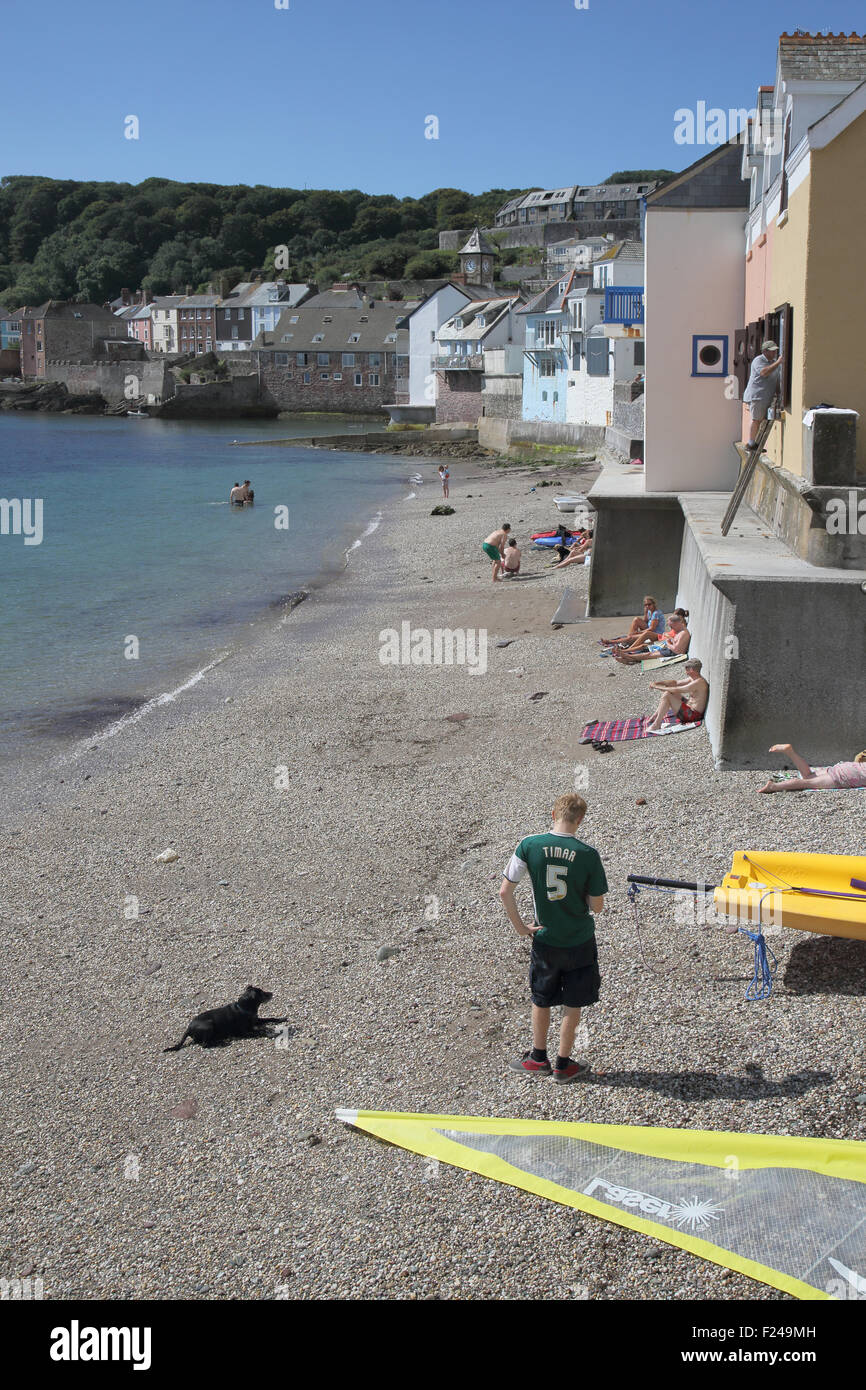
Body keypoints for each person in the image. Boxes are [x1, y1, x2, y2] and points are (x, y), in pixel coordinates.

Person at [500, 793, 608, 1083]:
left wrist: (521, 927)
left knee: (542, 997)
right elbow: (596, 906)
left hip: (545, 939)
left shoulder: (529, 845)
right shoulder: (588, 854)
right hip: (579, 940)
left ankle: (538, 1058)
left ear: (553, 814)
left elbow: (505, 891)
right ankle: (563, 1063)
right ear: (580, 819)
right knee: (573, 1002)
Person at [757, 745, 866, 794]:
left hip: (847, 767)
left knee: (807, 775)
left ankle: (790, 752)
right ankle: (773, 786)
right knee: (807, 782)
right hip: (846, 776)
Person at [646, 658, 708, 731]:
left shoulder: (699, 682)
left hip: (693, 715)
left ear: (691, 670)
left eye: (686, 669)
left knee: (667, 695)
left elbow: (677, 689)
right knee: (669, 691)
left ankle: (657, 724)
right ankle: (655, 716)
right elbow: (675, 683)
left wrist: (656, 687)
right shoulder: (693, 678)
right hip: (689, 708)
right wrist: (658, 683)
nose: (685, 671)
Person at [742, 339, 781, 449]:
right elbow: (763, 373)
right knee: (756, 419)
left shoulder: (772, 363)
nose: (774, 353)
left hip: (766, 396)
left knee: (759, 420)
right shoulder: (758, 360)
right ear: (765, 351)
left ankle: (754, 442)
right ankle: (750, 444)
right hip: (757, 396)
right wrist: (778, 362)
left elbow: (776, 380)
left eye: (775, 351)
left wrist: (779, 393)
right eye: (772, 351)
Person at [612, 610, 690, 664]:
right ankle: (627, 657)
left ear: (677, 623)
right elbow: (676, 643)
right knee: (648, 653)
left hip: (672, 652)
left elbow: (678, 651)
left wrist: (668, 643)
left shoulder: (683, 633)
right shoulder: (680, 631)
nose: (671, 629)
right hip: (669, 648)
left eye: (672, 627)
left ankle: (627, 656)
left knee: (648, 655)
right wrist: (670, 640)